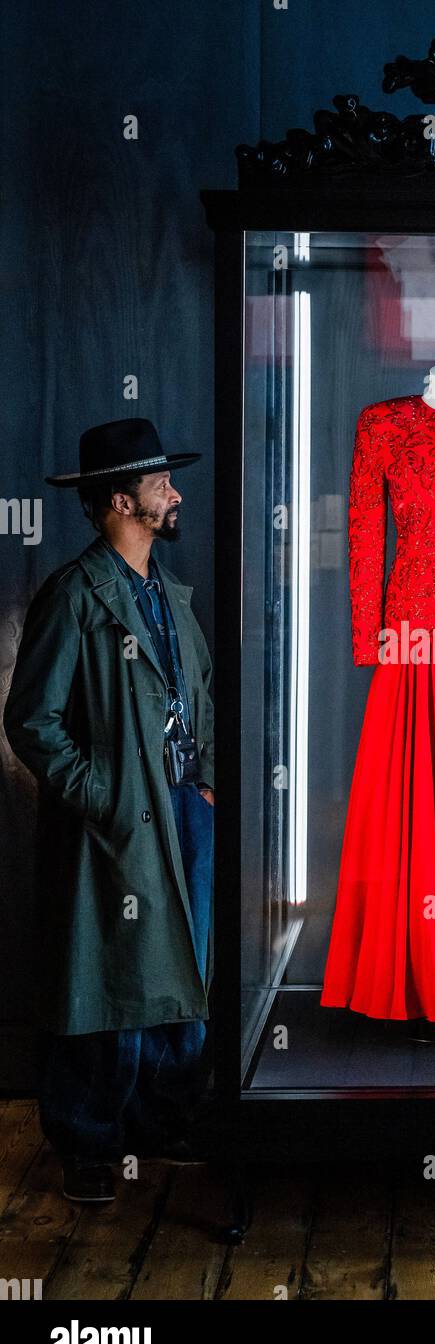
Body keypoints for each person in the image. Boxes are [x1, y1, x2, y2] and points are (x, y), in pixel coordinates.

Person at [3, 417, 215, 1202]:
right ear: (123, 500)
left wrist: (208, 783)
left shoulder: (167, 591)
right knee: (108, 989)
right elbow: (31, 720)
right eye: (162, 484)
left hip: (184, 816)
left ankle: (164, 1123)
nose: (176, 493)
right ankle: (90, 1142)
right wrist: (104, 795)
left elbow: (200, 694)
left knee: (181, 979)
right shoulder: (76, 594)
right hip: (116, 827)